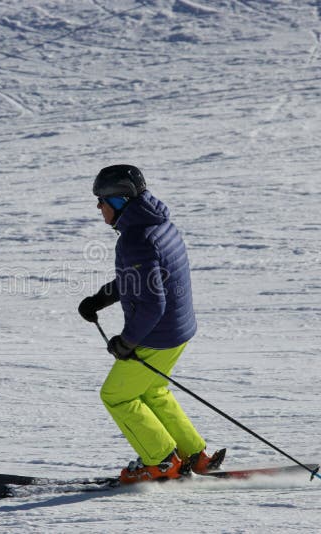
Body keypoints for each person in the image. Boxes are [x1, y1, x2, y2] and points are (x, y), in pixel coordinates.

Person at [78, 164, 225, 484]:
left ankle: (160, 462)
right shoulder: (157, 225)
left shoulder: (136, 240)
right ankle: (193, 455)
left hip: (156, 335)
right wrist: (100, 299)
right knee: (153, 391)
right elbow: (142, 280)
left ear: (118, 200)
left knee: (117, 395)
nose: (98, 208)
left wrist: (128, 341)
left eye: (100, 200)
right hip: (179, 330)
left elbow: (151, 304)